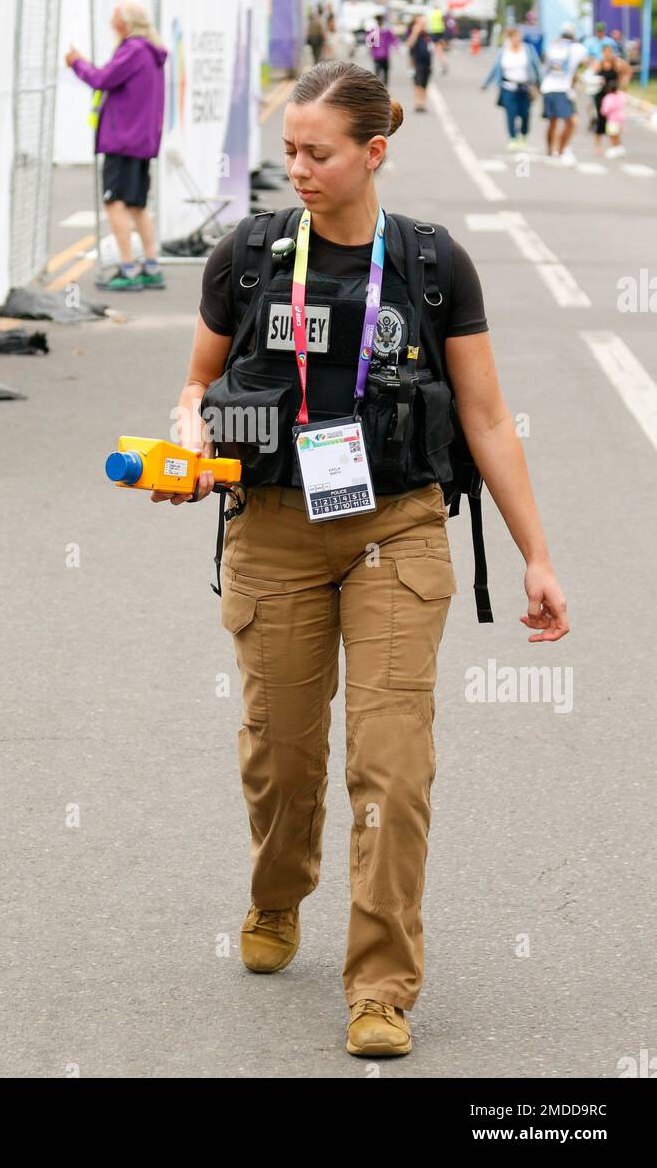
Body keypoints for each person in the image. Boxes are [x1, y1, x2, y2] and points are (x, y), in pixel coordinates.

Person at [154, 61, 569, 1059]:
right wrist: (182, 440)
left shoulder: (429, 264)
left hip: (397, 526)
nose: (294, 167)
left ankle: (379, 985)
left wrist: (535, 555)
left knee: (389, 764)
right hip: (273, 528)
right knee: (280, 754)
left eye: (316, 152)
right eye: (286, 149)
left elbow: (481, 417)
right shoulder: (249, 255)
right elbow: (195, 383)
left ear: (372, 152)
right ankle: (277, 888)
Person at [65, 0, 168, 292]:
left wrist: (76, 63)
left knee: (115, 203)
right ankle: (150, 265)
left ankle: (127, 267)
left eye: (114, 17)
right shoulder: (150, 52)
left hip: (123, 140)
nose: (110, 23)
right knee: (137, 204)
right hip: (141, 140)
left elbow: (101, 79)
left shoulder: (133, 50)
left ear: (125, 23)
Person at [481, 26, 543, 150]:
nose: (516, 40)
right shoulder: (504, 52)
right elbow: (495, 69)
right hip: (508, 87)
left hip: (525, 87)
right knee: (511, 113)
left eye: (518, 37)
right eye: (514, 37)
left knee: (525, 114)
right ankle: (513, 138)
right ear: (509, 39)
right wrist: (486, 83)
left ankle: (523, 135)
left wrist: (540, 83)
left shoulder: (528, 50)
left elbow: (536, 67)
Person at [539, 22, 587, 165]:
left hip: (547, 87)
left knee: (552, 121)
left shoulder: (553, 46)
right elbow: (585, 62)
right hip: (562, 89)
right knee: (572, 122)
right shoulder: (577, 48)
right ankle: (561, 150)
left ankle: (550, 150)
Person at [591, 44, 632, 157]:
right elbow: (591, 76)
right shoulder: (599, 64)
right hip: (601, 95)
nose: (607, 54)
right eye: (605, 52)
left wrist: (624, 83)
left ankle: (615, 145)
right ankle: (598, 146)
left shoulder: (617, 63)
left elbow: (628, 71)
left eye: (609, 51)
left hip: (613, 96)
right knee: (601, 119)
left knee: (613, 122)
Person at [406, 14, 433, 111]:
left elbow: (430, 48)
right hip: (417, 62)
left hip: (427, 63)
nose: (423, 24)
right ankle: (418, 103)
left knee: (425, 84)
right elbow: (409, 45)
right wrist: (415, 33)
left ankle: (423, 103)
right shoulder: (413, 34)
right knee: (418, 84)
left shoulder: (427, 35)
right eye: (421, 22)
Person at [368, 13, 397, 86]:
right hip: (377, 55)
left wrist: (395, 46)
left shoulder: (386, 31)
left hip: (385, 55)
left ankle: (385, 88)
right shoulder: (373, 31)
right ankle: (378, 87)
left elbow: (393, 40)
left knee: (385, 73)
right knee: (378, 73)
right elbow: (370, 42)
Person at [427, 4, 447, 74]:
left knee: (433, 51)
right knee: (440, 51)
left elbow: (428, 23)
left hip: (433, 32)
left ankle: (431, 67)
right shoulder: (441, 13)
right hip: (440, 32)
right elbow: (444, 23)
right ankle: (444, 64)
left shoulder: (431, 13)